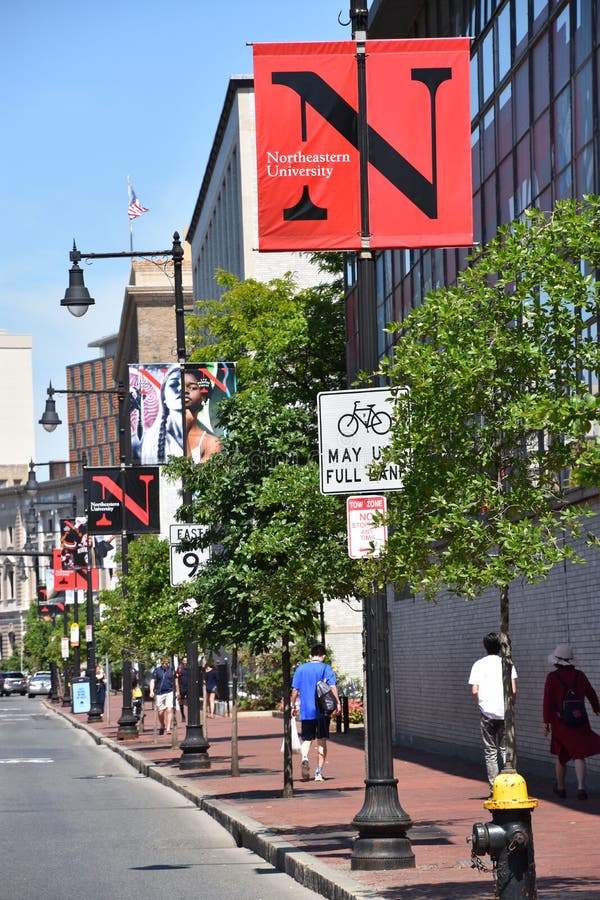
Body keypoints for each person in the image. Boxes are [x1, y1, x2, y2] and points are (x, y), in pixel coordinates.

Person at [543, 643, 600, 800]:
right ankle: (581, 787)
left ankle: (561, 787)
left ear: (556, 661)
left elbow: (547, 701)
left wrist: (546, 723)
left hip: (561, 722)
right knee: (579, 754)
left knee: (562, 754)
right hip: (580, 719)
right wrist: (596, 708)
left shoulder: (552, 678)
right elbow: (591, 693)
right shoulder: (579, 675)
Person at [468, 632, 517, 792]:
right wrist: (510, 706)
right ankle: (509, 784)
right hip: (505, 713)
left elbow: (475, 690)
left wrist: (481, 705)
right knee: (505, 749)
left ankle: (494, 788)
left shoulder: (478, 665)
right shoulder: (507, 663)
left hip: (487, 713)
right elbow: (513, 690)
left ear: (485, 647)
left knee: (490, 751)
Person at [290, 643, 341, 783]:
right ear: (323, 656)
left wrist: (292, 705)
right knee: (322, 741)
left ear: (310, 656)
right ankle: (318, 772)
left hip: (307, 711)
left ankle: (304, 758)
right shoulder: (326, 668)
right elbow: (332, 686)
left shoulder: (301, 669)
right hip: (323, 710)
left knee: (307, 739)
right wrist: (337, 703)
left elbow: (295, 690)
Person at [184, 369, 222, 463]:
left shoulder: (211, 442)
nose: (185, 391)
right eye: (179, 387)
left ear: (203, 397)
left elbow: (195, 477)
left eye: (192, 387)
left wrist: (184, 432)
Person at [149, 657, 175, 735]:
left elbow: (175, 681)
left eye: (166, 663)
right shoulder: (157, 670)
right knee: (160, 712)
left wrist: (177, 691)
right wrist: (151, 691)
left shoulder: (171, 670)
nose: (165, 665)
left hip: (169, 691)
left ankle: (168, 728)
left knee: (169, 709)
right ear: (161, 663)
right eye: (163, 663)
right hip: (159, 692)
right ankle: (162, 724)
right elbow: (153, 681)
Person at [176, 655, 188, 722]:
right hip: (182, 686)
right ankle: (183, 715)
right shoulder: (180, 668)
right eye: (184, 661)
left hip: (189, 687)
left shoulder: (190, 668)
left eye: (186, 661)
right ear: (182, 661)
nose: (185, 662)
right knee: (181, 701)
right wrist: (178, 690)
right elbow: (176, 679)